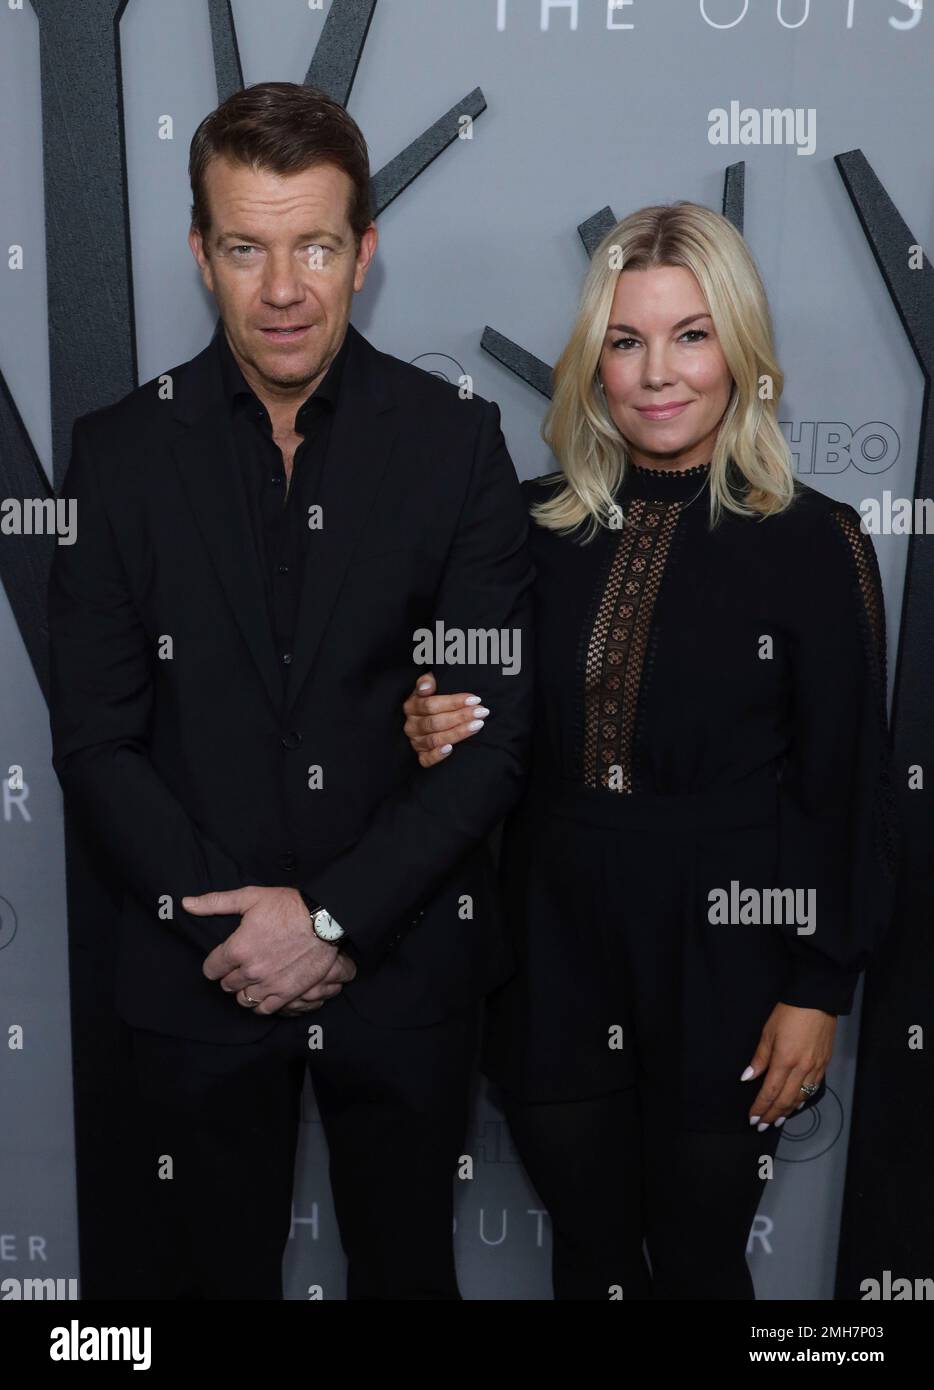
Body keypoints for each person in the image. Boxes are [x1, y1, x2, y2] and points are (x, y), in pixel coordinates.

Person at [47, 81, 534, 1300]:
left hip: (403, 964)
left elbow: (492, 737)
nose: (282, 289)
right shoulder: (117, 454)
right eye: (247, 248)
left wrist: (328, 919)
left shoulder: (456, 443)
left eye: (315, 245)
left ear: (363, 254)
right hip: (192, 975)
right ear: (200, 254)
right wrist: (245, 932)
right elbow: (98, 739)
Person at [401, 202, 897, 1300]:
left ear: (741, 353)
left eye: (690, 334)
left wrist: (818, 986)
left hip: (730, 963)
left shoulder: (817, 542)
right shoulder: (522, 531)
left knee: (699, 1262)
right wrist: (426, 722)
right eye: (625, 340)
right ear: (592, 362)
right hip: (551, 953)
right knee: (588, 1261)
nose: (656, 372)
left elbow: (843, 787)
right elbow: (466, 717)